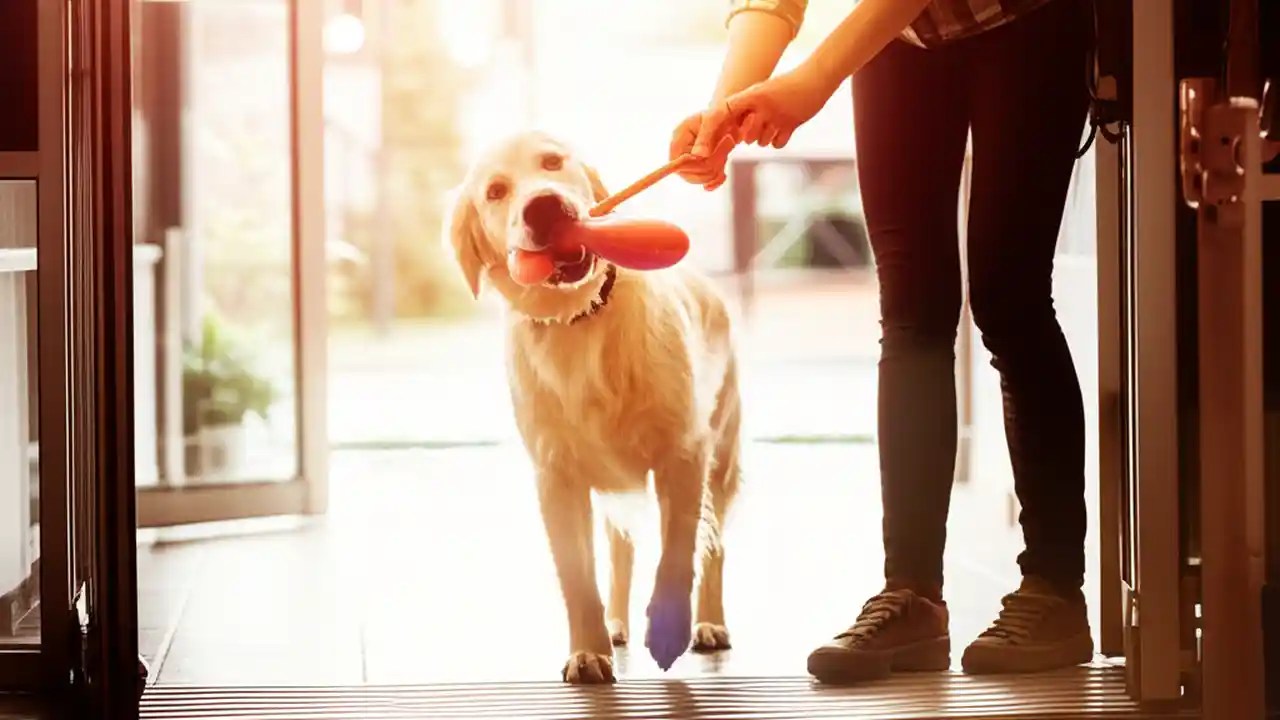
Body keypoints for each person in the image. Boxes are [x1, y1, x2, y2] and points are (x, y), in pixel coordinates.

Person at [670, 0, 1095, 683]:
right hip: (898, 38)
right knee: (911, 314)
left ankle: (1054, 589)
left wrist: (812, 79)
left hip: (1027, 21)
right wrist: (725, 107)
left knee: (1009, 296)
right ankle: (912, 597)